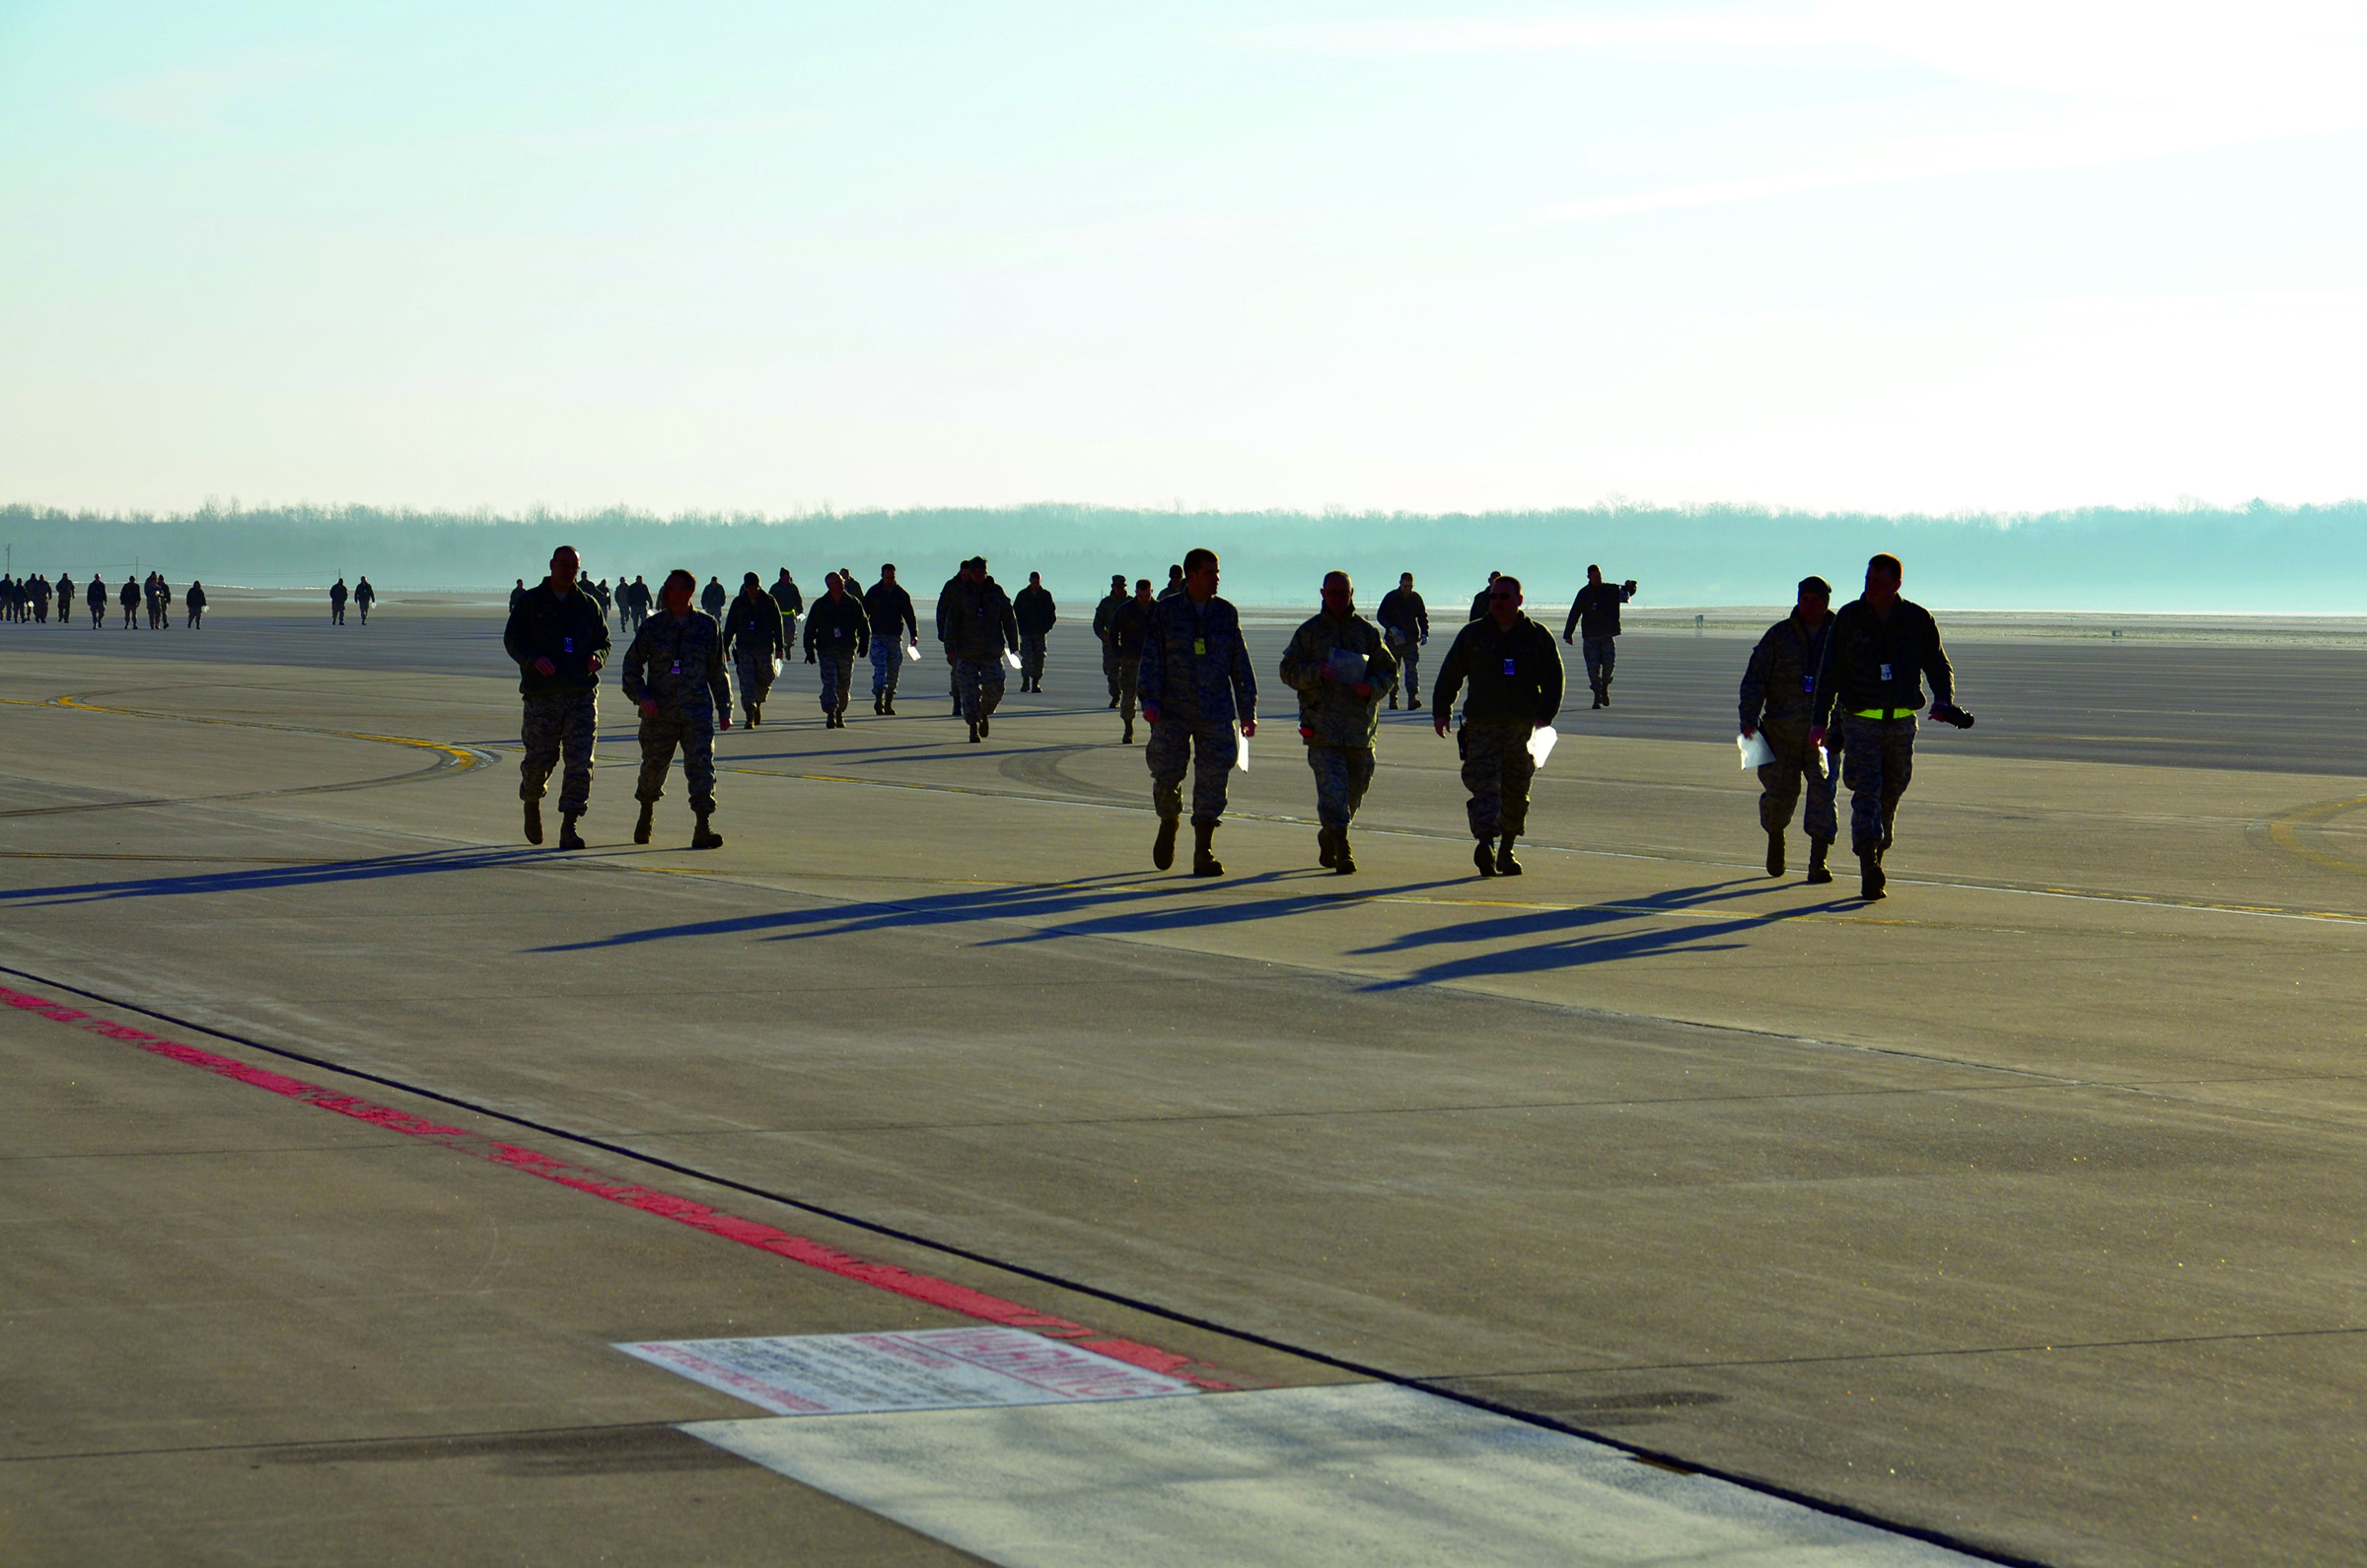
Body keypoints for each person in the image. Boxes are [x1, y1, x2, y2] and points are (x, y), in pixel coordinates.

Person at [1811, 553, 1959, 902]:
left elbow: (1938, 666)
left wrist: (1943, 700)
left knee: (1891, 792)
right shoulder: (1849, 618)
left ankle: (1878, 851)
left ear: (1896, 585)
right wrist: (1820, 720)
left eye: (1878, 581)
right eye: (1868, 579)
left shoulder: (1917, 620)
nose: (1870, 587)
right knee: (1867, 792)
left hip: (1902, 725)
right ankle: (1868, 864)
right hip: (1860, 723)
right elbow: (1829, 673)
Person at [1433, 575, 1562, 878]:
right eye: (1493, 597)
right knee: (1485, 789)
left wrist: (1546, 715)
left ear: (1519, 599)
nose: (1497, 602)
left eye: (1504, 597)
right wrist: (1442, 712)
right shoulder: (1473, 635)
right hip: (1483, 728)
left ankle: (1507, 849)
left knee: (1517, 791)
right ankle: (1485, 843)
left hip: (1523, 731)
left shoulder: (1537, 636)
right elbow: (1451, 674)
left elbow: (1555, 678)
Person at [1139, 548, 1256, 875]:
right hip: (1171, 711)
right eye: (1210, 572)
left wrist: (1248, 711)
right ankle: (1169, 819)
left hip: (1216, 710)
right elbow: (1150, 660)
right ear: (1191, 576)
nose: (1216, 578)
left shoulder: (1226, 614)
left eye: (1217, 572)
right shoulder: (1166, 613)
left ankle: (1203, 850)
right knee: (1166, 775)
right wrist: (1149, 701)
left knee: (1213, 778)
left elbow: (1240, 666)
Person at [1279, 571, 1397, 875]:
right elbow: (1288, 671)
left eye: (1344, 593)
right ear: (1322, 593)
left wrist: (1371, 688)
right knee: (1332, 789)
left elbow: (1389, 671)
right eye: (1333, 593)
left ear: (1352, 592)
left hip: (1360, 730)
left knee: (1355, 789)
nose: (1339, 598)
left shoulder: (1367, 633)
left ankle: (1331, 832)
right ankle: (1343, 847)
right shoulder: (1309, 633)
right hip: (1322, 729)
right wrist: (1317, 671)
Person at [501, 545, 610, 850]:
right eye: (563, 565)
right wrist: (532, 659)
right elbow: (512, 639)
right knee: (541, 759)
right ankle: (532, 799)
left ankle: (569, 825)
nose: (568, 571)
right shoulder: (531, 602)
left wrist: (598, 656)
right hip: (542, 696)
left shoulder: (588, 605)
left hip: (580, 693)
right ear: (552, 565)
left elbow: (604, 640)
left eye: (573, 566)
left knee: (580, 762)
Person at [620, 568, 731, 849]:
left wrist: (724, 707)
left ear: (687, 593)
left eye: (670, 588)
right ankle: (646, 812)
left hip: (696, 713)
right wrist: (641, 696)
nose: (664, 592)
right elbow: (631, 665)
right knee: (653, 768)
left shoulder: (707, 626)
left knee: (702, 769)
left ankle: (702, 826)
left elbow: (718, 669)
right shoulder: (653, 626)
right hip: (659, 713)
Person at [1740, 577, 1839, 884]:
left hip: (1822, 734)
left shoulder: (1840, 637)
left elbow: (1853, 683)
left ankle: (1817, 861)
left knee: (1823, 793)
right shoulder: (1778, 636)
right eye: (1804, 598)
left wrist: (1845, 727)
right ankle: (1775, 836)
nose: (1809, 604)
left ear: (1826, 602)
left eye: (1815, 599)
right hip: (1779, 733)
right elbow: (1755, 677)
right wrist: (1748, 718)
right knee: (1779, 795)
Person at [940, 557, 1016, 743]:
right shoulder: (961, 594)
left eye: (982, 572)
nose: (979, 575)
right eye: (975, 572)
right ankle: (973, 726)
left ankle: (983, 712)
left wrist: (1014, 644)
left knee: (996, 688)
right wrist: (950, 648)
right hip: (966, 653)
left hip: (992, 652)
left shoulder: (997, 593)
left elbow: (1008, 618)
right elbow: (951, 623)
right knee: (968, 692)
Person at [1562, 564, 1638, 708]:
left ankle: (1605, 687)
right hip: (1590, 637)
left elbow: (1627, 593)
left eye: (1599, 576)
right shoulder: (1584, 593)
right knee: (1593, 668)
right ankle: (1597, 696)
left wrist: (1632, 586)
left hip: (1607, 635)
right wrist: (1568, 634)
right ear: (1589, 577)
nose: (1598, 579)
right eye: (1595, 577)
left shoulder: (1610, 590)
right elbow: (1574, 613)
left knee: (1609, 665)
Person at [802, 570, 871, 727]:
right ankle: (831, 712)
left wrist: (864, 643)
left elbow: (863, 624)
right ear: (830, 586)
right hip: (826, 650)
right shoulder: (820, 605)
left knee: (844, 683)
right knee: (829, 682)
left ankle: (840, 711)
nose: (842, 585)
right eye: (838, 583)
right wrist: (809, 650)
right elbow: (810, 628)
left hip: (846, 650)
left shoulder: (853, 603)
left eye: (842, 582)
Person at [723, 572, 787, 726]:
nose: (753, 591)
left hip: (764, 648)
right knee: (747, 681)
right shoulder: (739, 603)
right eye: (750, 588)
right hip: (744, 648)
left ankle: (758, 702)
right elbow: (730, 626)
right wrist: (725, 648)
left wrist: (780, 647)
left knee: (767, 677)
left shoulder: (769, 602)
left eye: (755, 588)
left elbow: (778, 626)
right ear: (745, 588)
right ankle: (749, 713)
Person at [864, 564, 918, 714]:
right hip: (877, 637)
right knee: (880, 669)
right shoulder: (874, 592)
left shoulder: (901, 594)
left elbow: (909, 615)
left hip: (895, 638)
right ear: (882, 576)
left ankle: (889, 702)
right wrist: (861, 633)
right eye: (887, 577)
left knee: (894, 670)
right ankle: (878, 700)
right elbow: (864, 614)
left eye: (892, 577)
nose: (890, 580)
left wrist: (914, 633)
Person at [1108, 578, 1155, 744]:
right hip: (1130, 660)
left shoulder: (1159, 610)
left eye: (1147, 595)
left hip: (1153, 663)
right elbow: (1113, 633)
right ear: (1136, 593)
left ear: (1151, 592)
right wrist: (1119, 653)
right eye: (1141, 595)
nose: (1144, 599)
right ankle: (1128, 729)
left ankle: (1154, 730)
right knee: (1128, 696)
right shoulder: (1125, 610)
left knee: (1153, 697)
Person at [1376, 572, 1429, 709]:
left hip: (1411, 641)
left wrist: (1424, 633)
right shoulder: (1391, 597)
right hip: (1393, 641)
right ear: (1400, 583)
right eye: (1405, 585)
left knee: (1412, 670)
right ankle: (1393, 700)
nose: (1407, 589)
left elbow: (1422, 616)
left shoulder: (1416, 598)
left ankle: (1412, 699)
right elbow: (1381, 615)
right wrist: (1390, 627)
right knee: (1393, 671)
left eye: (1410, 586)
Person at [933, 564, 968, 716]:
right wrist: (943, 632)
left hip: (976, 637)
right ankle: (957, 701)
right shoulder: (952, 587)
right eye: (964, 574)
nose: (966, 577)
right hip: (955, 636)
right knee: (957, 670)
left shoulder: (982, 588)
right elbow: (942, 610)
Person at [1014, 571, 1056, 692]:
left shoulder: (1045, 596)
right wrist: (1020, 628)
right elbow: (1015, 613)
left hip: (1040, 633)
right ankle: (1025, 682)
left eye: (1037, 582)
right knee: (1027, 657)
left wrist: (1046, 627)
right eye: (1033, 582)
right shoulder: (1023, 595)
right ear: (1030, 580)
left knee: (1039, 658)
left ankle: (1035, 683)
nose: (1035, 584)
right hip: (1026, 632)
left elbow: (1052, 613)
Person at [1091, 574, 1129, 708]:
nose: (1120, 590)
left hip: (1128, 645)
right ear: (1112, 587)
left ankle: (1127, 697)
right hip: (1110, 644)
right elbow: (1097, 623)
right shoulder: (1106, 604)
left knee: (1128, 672)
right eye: (1117, 587)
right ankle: (1115, 697)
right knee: (1111, 671)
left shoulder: (1131, 603)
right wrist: (1103, 635)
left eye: (1122, 587)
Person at [769, 569, 804, 652]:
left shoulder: (793, 588)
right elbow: (769, 600)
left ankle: (789, 645)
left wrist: (800, 609)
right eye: (785, 576)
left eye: (788, 576)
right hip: (778, 616)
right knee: (779, 633)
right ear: (781, 577)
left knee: (791, 634)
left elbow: (798, 599)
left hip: (790, 616)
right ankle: (780, 647)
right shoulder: (775, 588)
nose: (787, 578)